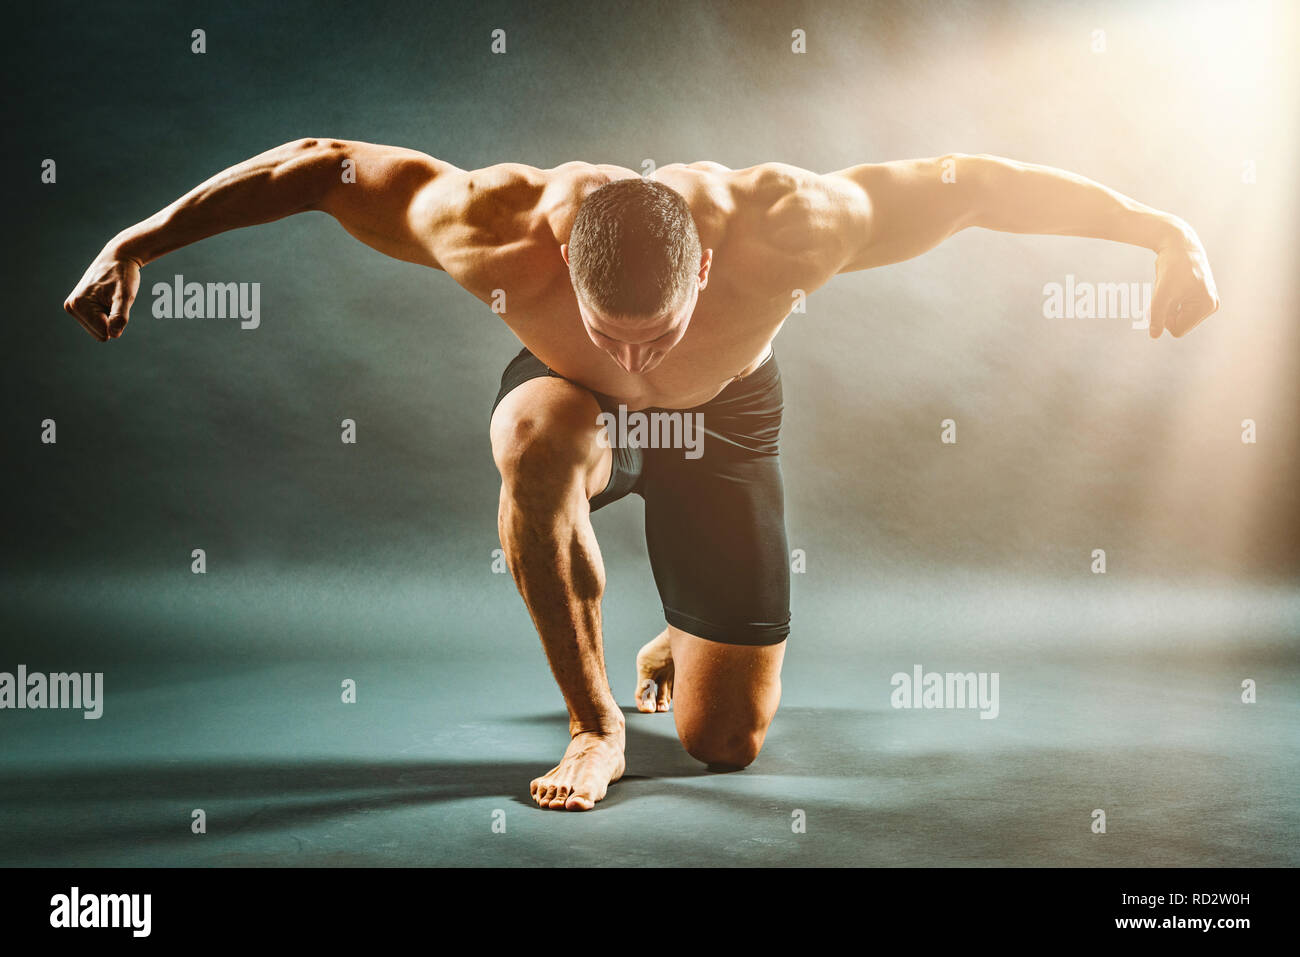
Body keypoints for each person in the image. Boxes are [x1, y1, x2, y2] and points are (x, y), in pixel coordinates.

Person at [64, 140, 1220, 810]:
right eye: (608, 329)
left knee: (725, 748)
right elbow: (317, 167)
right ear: (561, 262)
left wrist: (1165, 231)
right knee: (538, 436)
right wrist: (137, 243)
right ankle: (593, 726)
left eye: (656, 333)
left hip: (726, 428)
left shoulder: (794, 224)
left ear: (709, 266)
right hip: (578, 423)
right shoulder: (489, 222)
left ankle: (682, 630)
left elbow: (974, 185)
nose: (633, 356)